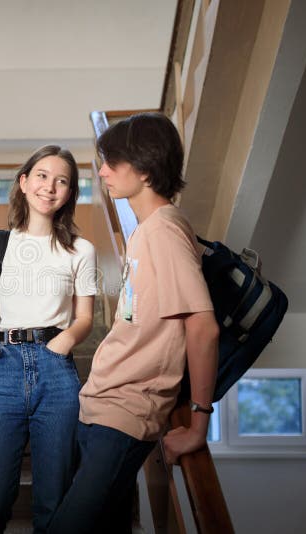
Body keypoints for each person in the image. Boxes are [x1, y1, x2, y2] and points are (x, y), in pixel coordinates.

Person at [48, 113, 219, 533]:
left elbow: (203, 327)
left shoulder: (164, 231)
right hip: (103, 406)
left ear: (144, 169)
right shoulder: (148, 230)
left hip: (125, 415)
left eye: (112, 162)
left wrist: (199, 423)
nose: (102, 171)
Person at [0, 145, 98, 533]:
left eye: (62, 181)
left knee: (54, 502)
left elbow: (85, 317)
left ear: (69, 193)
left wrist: (63, 343)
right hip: (0, 368)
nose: (50, 187)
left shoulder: (80, 250)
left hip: (57, 373)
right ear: (23, 182)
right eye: (41, 176)